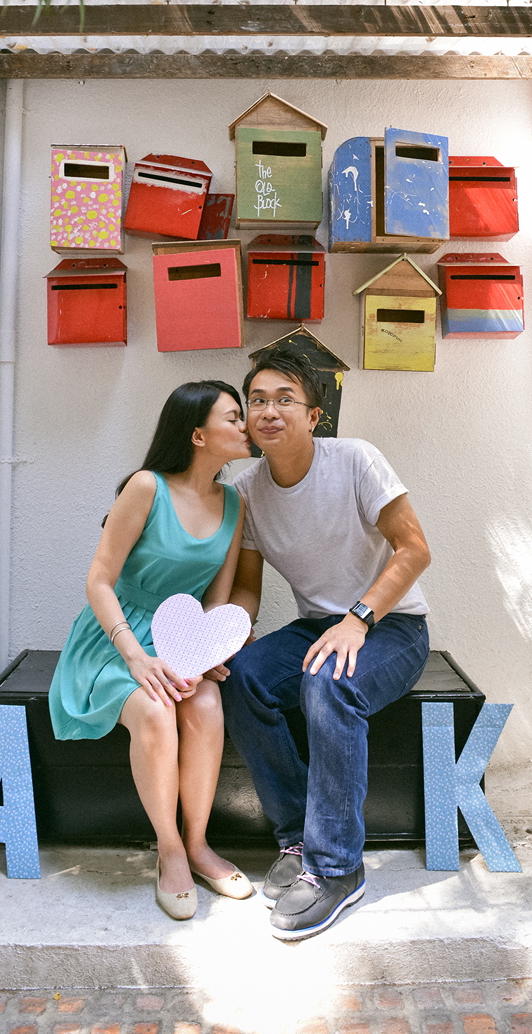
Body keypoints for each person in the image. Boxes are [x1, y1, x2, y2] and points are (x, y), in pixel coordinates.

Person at [218, 351, 431, 941]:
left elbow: (413, 549)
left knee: (329, 681)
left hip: (391, 627)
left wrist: (359, 619)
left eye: (285, 399)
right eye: (257, 400)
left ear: (314, 415)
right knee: (244, 676)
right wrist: (224, 639)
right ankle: (297, 836)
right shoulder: (246, 491)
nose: (268, 410)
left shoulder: (357, 460)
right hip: (319, 625)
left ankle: (339, 869)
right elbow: (247, 589)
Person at [49, 380, 255, 920]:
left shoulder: (234, 503)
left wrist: (209, 649)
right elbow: (98, 580)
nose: (245, 424)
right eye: (232, 417)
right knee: (158, 714)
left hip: (179, 637)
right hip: (115, 639)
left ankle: (198, 842)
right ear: (196, 434)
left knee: (207, 705)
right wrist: (135, 656)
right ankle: (169, 850)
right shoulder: (146, 487)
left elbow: (216, 597)